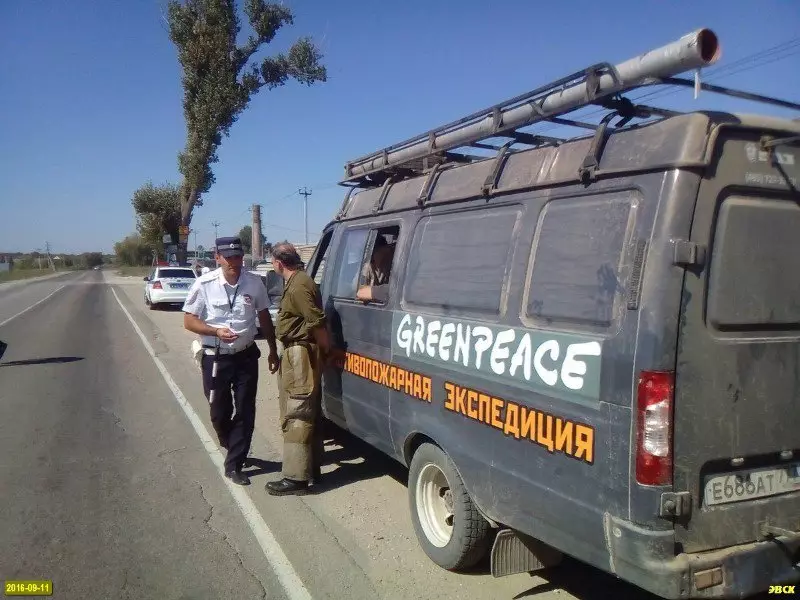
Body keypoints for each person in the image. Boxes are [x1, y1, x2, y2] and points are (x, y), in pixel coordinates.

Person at [183, 236, 279, 486]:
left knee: (246, 409)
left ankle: (235, 463)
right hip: (215, 358)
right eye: (228, 257)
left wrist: (271, 349)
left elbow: (264, 318)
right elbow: (189, 321)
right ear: (217, 257)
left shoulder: (254, 283)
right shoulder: (204, 284)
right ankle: (229, 441)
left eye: (238, 256)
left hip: (246, 355)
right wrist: (216, 332)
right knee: (218, 412)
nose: (234, 262)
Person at [265, 242, 332, 497]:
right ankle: (310, 470)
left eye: (273, 262)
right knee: (304, 411)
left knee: (298, 412)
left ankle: (296, 478)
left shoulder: (300, 283)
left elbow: (317, 322)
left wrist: (324, 352)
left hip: (300, 352)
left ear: (279, 263)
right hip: (298, 351)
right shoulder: (297, 282)